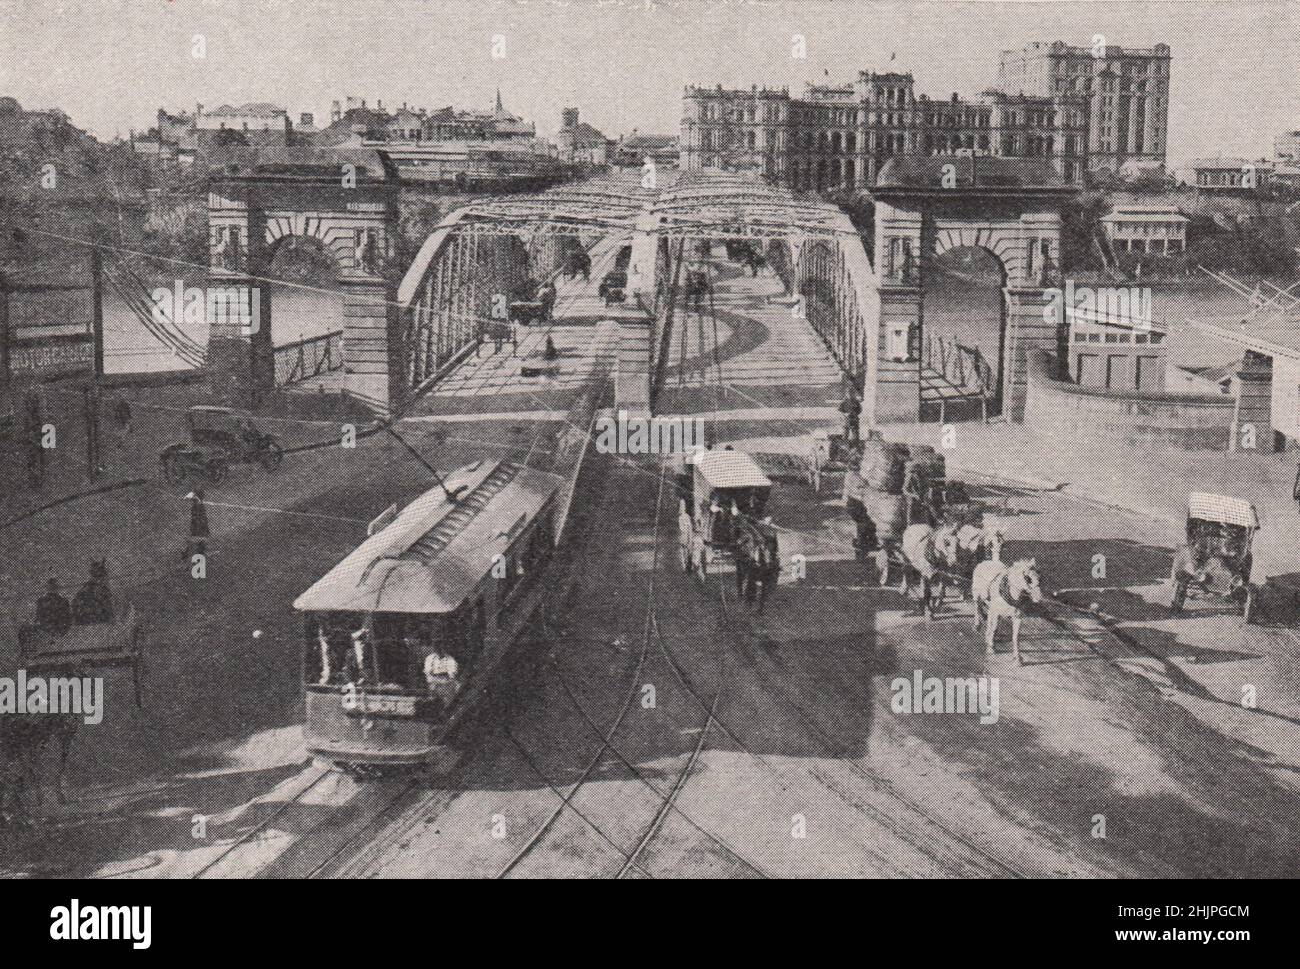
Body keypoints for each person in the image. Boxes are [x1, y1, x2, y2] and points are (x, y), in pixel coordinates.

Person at [72, 560, 114, 625]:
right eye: (100, 576)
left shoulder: (104, 590)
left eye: (104, 576)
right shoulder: (86, 590)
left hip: (101, 622)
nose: (104, 579)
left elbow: (109, 609)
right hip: (90, 622)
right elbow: (76, 605)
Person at [186, 489, 209, 560]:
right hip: (198, 524)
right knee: (199, 537)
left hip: (198, 524)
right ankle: (190, 553)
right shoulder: (198, 506)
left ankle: (197, 552)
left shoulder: (198, 505)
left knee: (199, 537)